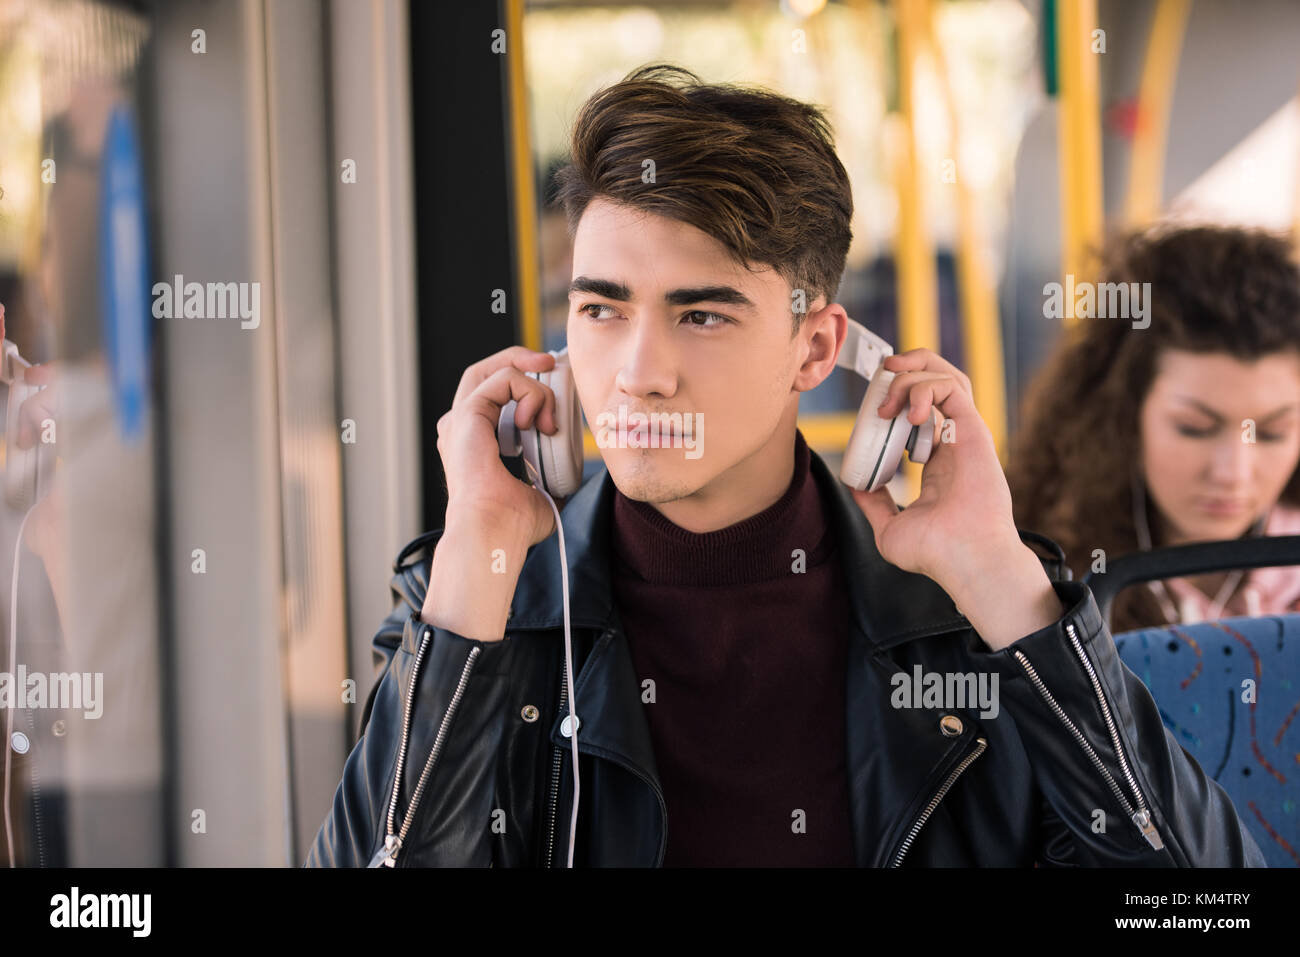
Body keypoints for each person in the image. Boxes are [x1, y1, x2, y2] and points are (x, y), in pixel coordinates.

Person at [306, 64, 1262, 867]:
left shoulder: (966, 623)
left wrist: (1008, 587)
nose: (638, 374)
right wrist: (476, 564)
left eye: (701, 313)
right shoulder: (483, 605)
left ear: (815, 352)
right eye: (601, 309)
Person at [1007, 225, 1300, 635]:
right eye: (1194, 428)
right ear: (1122, 416)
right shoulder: (1035, 562)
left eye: (1271, 433)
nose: (1233, 473)